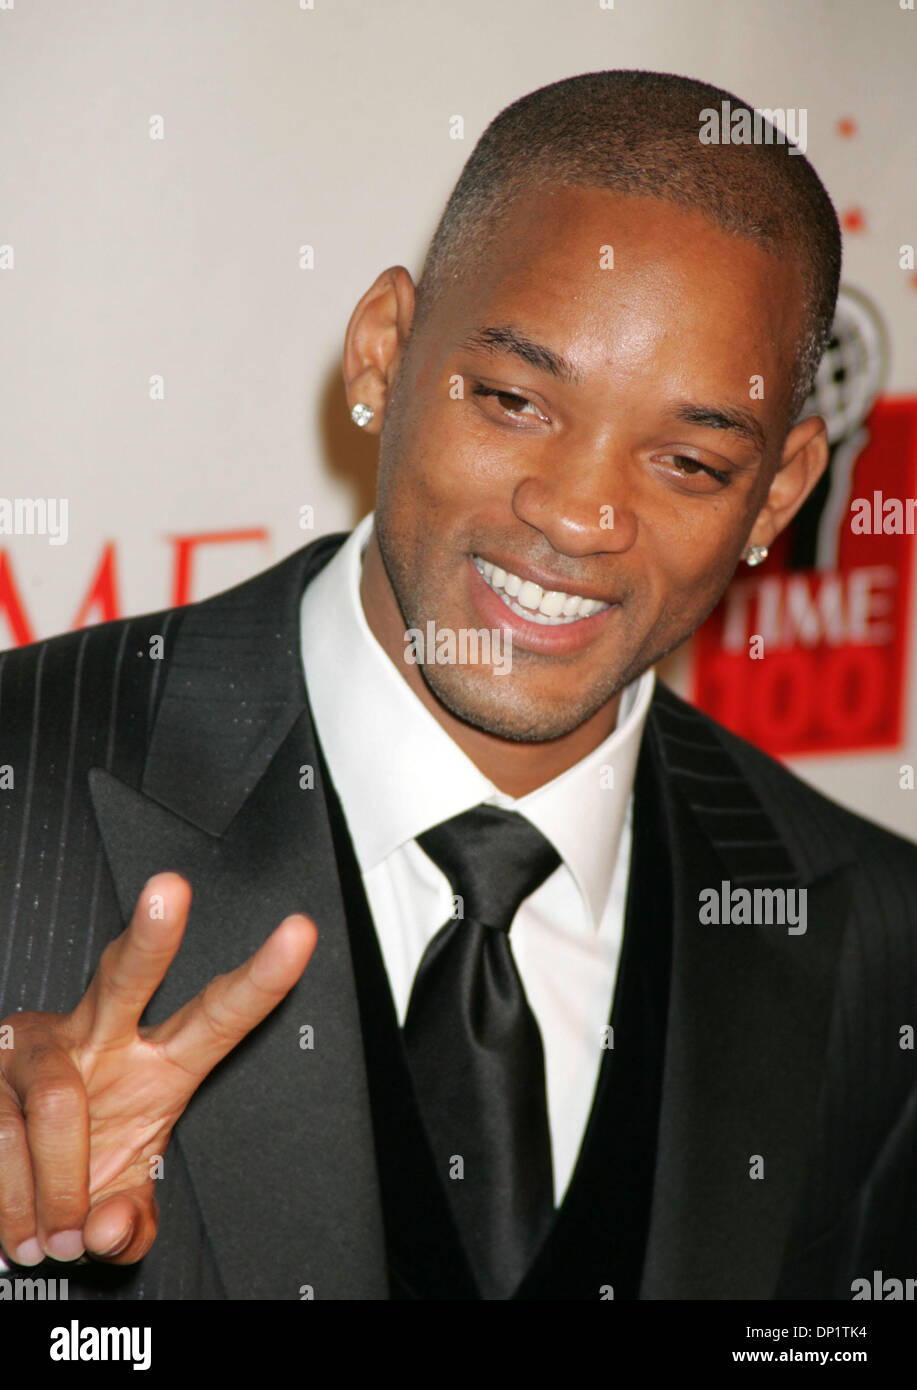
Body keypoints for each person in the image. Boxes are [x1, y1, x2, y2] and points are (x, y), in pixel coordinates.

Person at [1, 69, 915, 1302]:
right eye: (511, 401)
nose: (582, 515)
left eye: (690, 461)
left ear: (782, 492)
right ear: (382, 353)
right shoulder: (22, 796)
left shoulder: (872, 935)